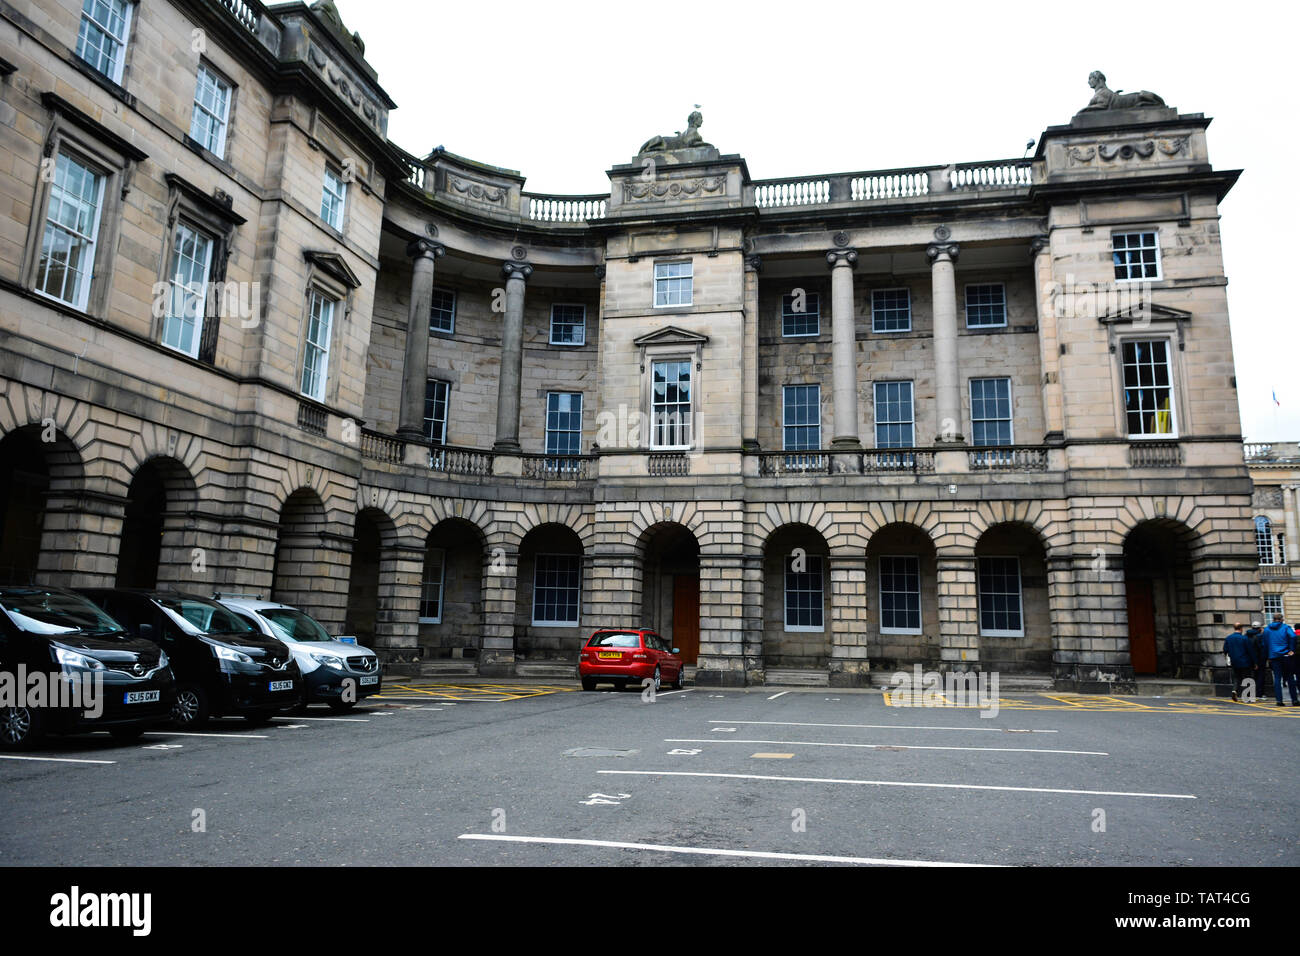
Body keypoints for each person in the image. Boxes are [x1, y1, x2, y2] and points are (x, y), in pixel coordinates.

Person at [1262, 613, 1299, 706]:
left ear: (1273, 619)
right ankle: (1294, 700)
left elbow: (1264, 644)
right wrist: (1291, 649)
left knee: (1277, 678)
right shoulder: (1286, 627)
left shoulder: (1267, 630)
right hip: (1286, 655)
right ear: (1281, 619)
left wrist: (1267, 656)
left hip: (1274, 656)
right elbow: (1293, 636)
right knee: (1290, 678)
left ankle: (1279, 701)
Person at [1222, 623, 1256, 702]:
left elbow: (1225, 650)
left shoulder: (1228, 638)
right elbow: (1250, 651)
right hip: (1245, 661)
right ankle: (1246, 697)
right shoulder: (1244, 638)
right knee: (1246, 678)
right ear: (1241, 629)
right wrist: (1255, 662)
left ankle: (1235, 690)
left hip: (1234, 661)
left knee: (1237, 677)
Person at [1245, 620, 1269, 698]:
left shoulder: (1246, 636)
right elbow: (1262, 648)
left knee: (1250, 676)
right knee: (1260, 677)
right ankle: (1259, 693)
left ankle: (1249, 694)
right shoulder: (1260, 636)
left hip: (1249, 659)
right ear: (1259, 628)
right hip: (1260, 659)